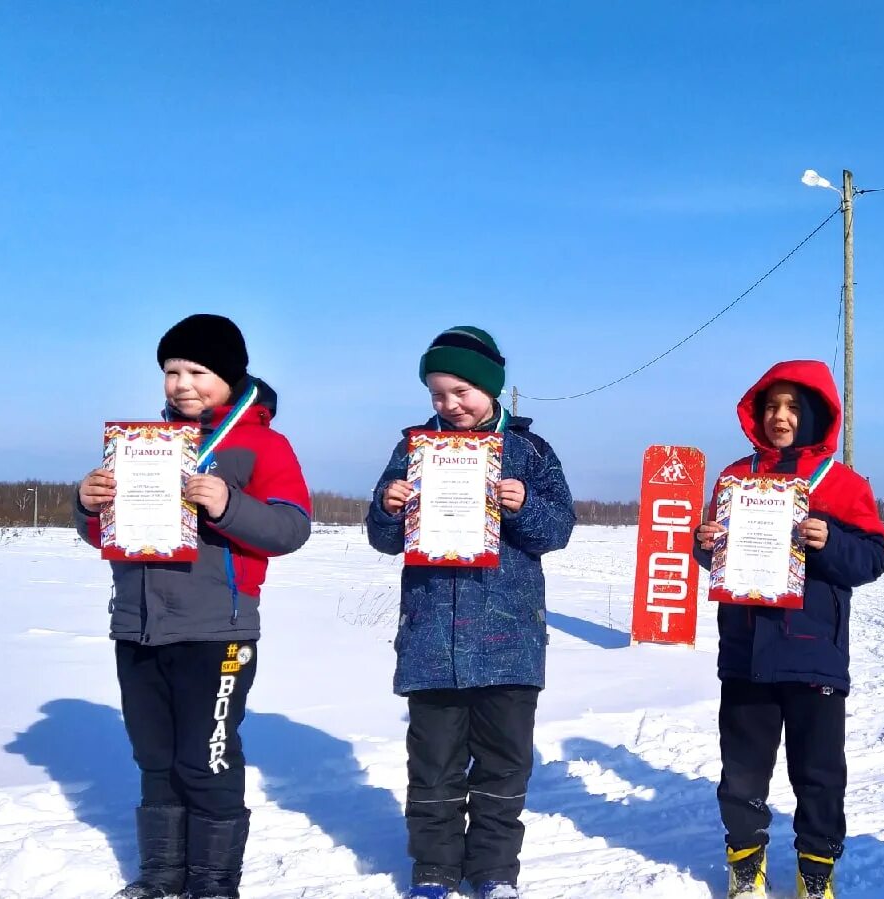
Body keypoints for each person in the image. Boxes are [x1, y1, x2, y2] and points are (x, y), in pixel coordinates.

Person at [76, 313, 312, 899]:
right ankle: (161, 877)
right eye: (170, 371)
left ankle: (212, 884)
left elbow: (291, 528)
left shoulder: (262, 445)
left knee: (205, 761)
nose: (181, 383)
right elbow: (105, 532)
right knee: (154, 759)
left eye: (197, 371)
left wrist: (229, 503)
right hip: (138, 626)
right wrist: (87, 505)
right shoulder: (142, 446)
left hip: (216, 631)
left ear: (231, 377)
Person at [364, 325, 576, 899]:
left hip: (509, 641)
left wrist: (525, 505)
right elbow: (382, 537)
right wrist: (388, 509)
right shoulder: (412, 448)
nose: (450, 405)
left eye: (462, 391)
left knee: (504, 765)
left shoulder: (530, 451)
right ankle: (433, 869)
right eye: (438, 394)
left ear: (492, 389)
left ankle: (493, 872)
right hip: (432, 637)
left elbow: (558, 530)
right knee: (433, 764)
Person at [694, 360, 884, 899]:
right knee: (742, 771)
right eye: (772, 406)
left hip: (813, 656)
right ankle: (745, 864)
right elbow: (716, 556)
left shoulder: (842, 484)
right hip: (745, 654)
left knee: (820, 774)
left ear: (817, 415)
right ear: (757, 412)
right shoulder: (735, 477)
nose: (781, 417)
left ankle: (815, 874)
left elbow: (872, 558)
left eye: (793, 407)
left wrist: (832, 543)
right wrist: (705, 543)